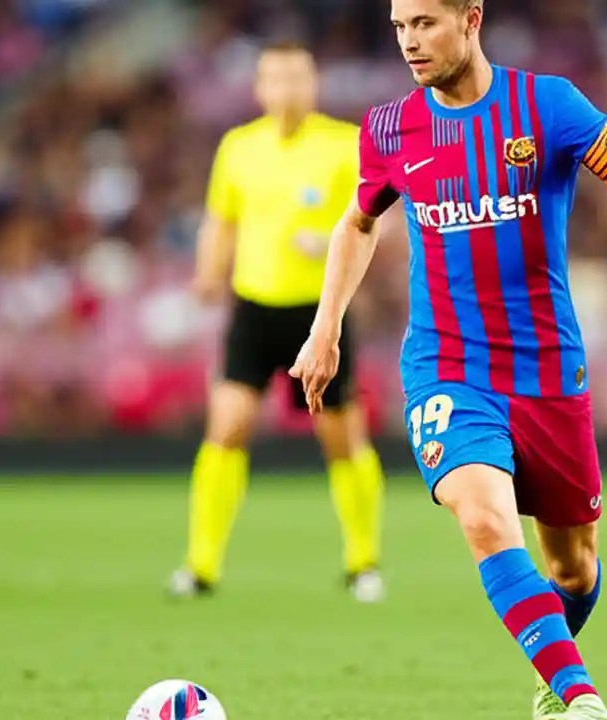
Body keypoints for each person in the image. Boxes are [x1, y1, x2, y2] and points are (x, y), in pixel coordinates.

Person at [289, 1, 607, 717]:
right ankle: (581, 699)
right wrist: (326, 327)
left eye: (425, 24)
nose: (409, 42)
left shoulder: (547, 107)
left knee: (573, 567)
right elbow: (358, 223)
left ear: (471, 18)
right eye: (400, 27)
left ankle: (552, 672)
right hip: (446, 366)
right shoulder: (389, 128)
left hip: (547, 370)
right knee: (483, 518)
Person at [170, 42, 387, 603]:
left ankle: (363, 562)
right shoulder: (239, 148)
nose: (288, 89)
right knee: (226, 428)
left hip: (321, 313)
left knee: (341, 438)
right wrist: (208, 273)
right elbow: (221, 219)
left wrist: (332, 238)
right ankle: (200, 565)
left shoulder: (343, 144)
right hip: (254, 306)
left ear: (313, 85)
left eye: (298, 78)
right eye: (277, 78)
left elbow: (377, 218)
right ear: (259, 88)